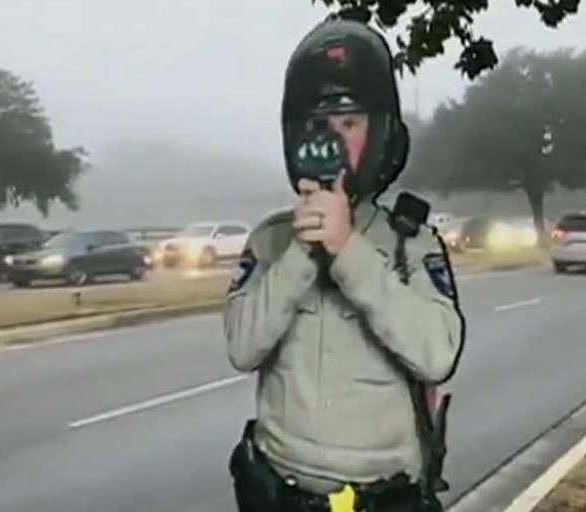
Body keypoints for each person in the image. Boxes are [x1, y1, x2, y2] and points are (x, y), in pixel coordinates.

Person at [224, 14, 465, 512]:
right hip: (280, 493)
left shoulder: (411, 244)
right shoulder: (270, 242)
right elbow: (242, 348)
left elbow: (437, 355)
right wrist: (305, 251)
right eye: (319, 126)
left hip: (382, 496)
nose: (332, 141)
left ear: (378, 133)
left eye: (350, 124)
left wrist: (347, 248)